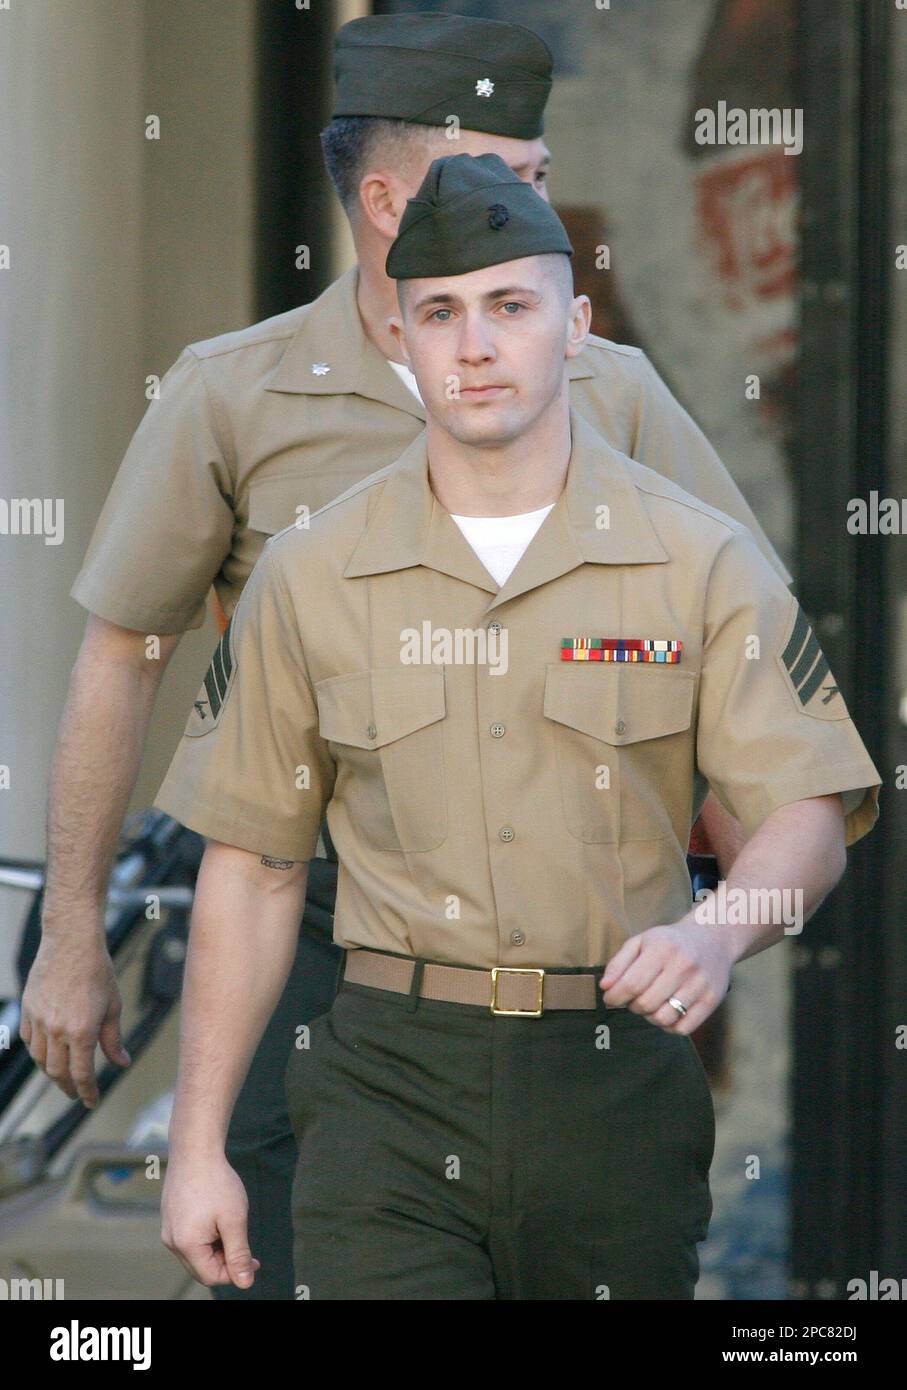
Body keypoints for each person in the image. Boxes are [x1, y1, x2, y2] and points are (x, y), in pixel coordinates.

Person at [22, 12, 792, 1301]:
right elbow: (122, 659)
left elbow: (742, 639)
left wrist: (717, 907)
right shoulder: (233, 392)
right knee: (277, 1254)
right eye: (506, 170)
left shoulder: (609, 386)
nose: (528, 203)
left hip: (562, 960)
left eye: (537, 179)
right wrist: (69, 934)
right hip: (309, 930)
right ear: (384, 201)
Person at [153, 151, 881, 1300]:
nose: (476, 345)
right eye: (439, 312)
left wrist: (717, 931)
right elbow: (250, 867)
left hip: (611, 1078)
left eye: (510, 305)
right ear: (400, 338)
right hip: (385, 1080)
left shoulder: (697, 558)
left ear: (575, 326)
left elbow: (806, 813)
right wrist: (196, 1149)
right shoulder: (310, 573)